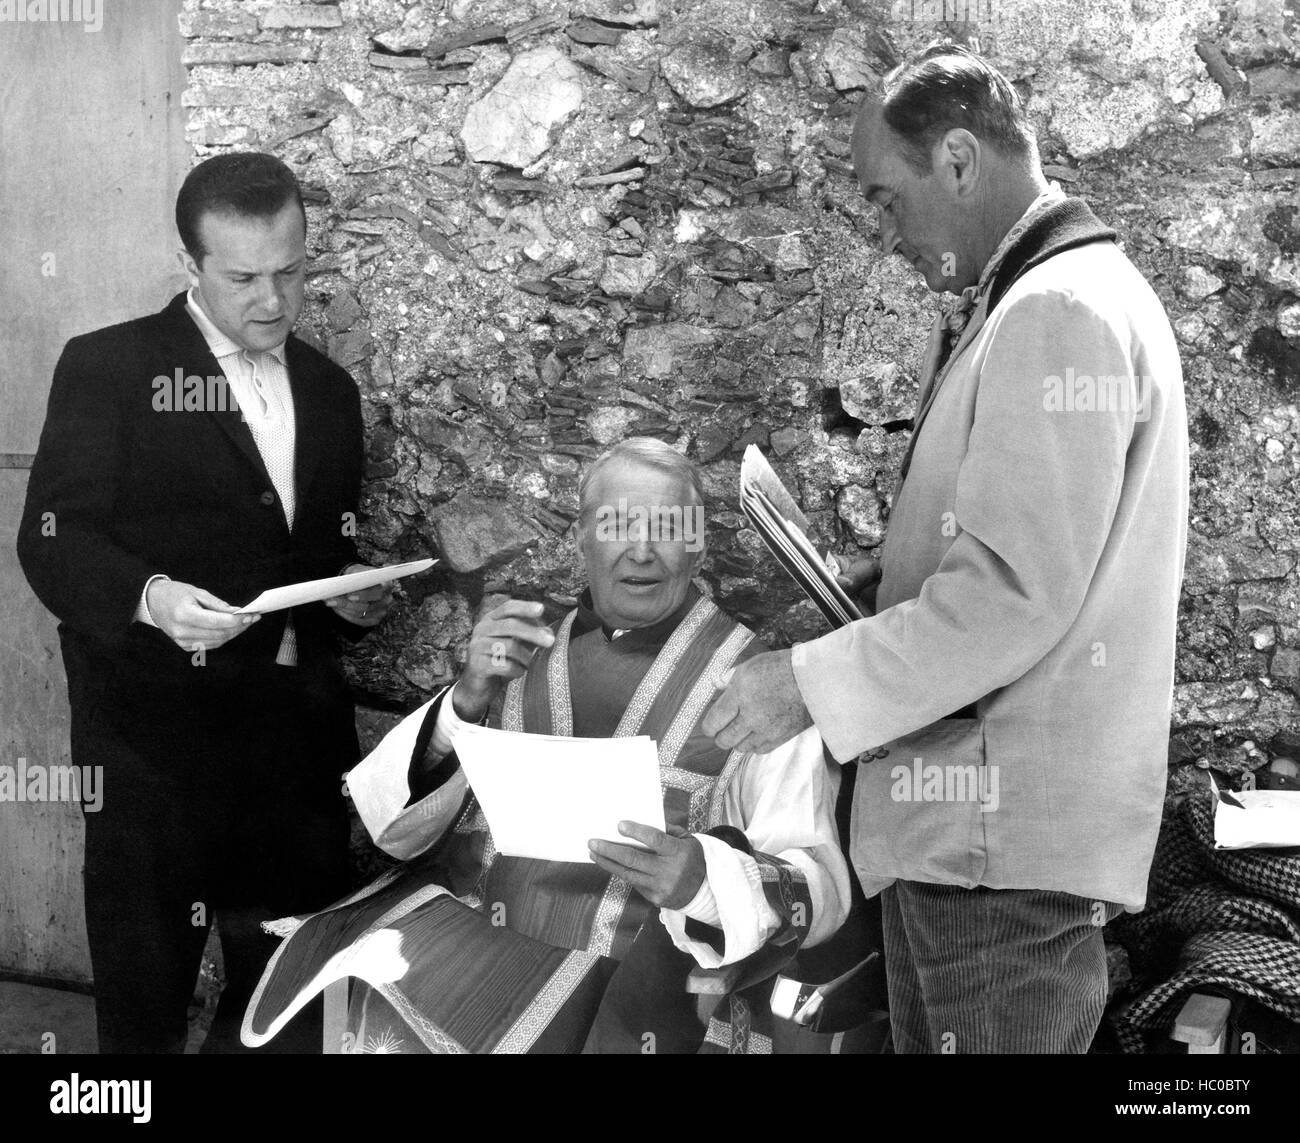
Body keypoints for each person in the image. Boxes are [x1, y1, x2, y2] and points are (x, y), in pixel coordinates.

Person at [703, 44, 1189, 1052]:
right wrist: (884, 583)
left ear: (958, 162)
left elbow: (1012, 594)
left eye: (888, 199)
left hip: (989, 863)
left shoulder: (1054, 312)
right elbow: (1041, 563)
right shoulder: (1055, 299)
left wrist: (808, 681)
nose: (886, 233)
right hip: (979, 850)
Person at [241, 438, 851, 1054]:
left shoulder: (758, 687)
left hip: (634, 996)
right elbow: (394, 832)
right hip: (477, 955)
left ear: (698, 545)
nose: (642, 550)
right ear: (581, 539)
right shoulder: (519, 650)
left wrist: (706, 881)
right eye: (618, 525)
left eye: (669, 527)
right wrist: (466, 700)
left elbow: (820, 893)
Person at [17, 152, 395, 1053]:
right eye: (243, 278)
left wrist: (355, 598)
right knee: (144, 1004)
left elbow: (313, 552)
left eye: (292, 271)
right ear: (188, 266)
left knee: (286, 997)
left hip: (292, 748)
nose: (274, 300)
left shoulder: (331, 392)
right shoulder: (109, 366)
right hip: (154, 750)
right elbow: (51, 536)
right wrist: (150, 598)